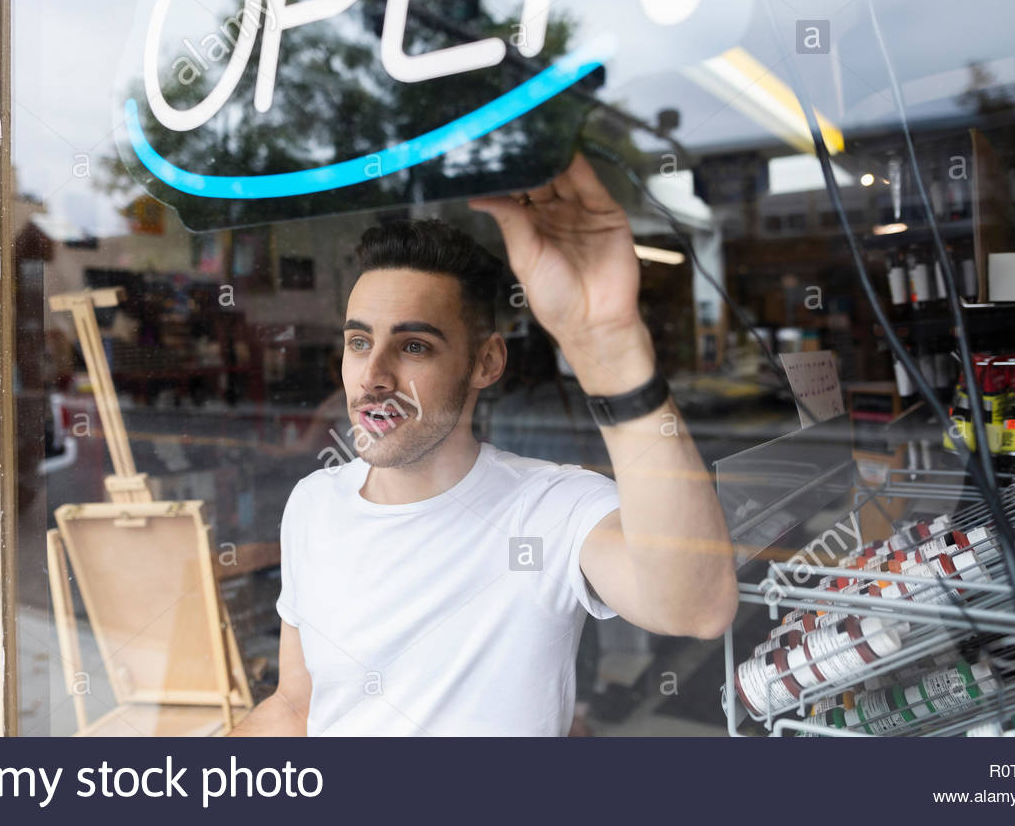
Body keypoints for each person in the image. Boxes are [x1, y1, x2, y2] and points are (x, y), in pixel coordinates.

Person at [230, 156, 736, 736]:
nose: (372, 375)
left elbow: (694, 606)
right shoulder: (313, 503)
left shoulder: (552, 507)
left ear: (486, 362)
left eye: (414, 346)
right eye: (359, 341)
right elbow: (298, 705)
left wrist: (609, 344)